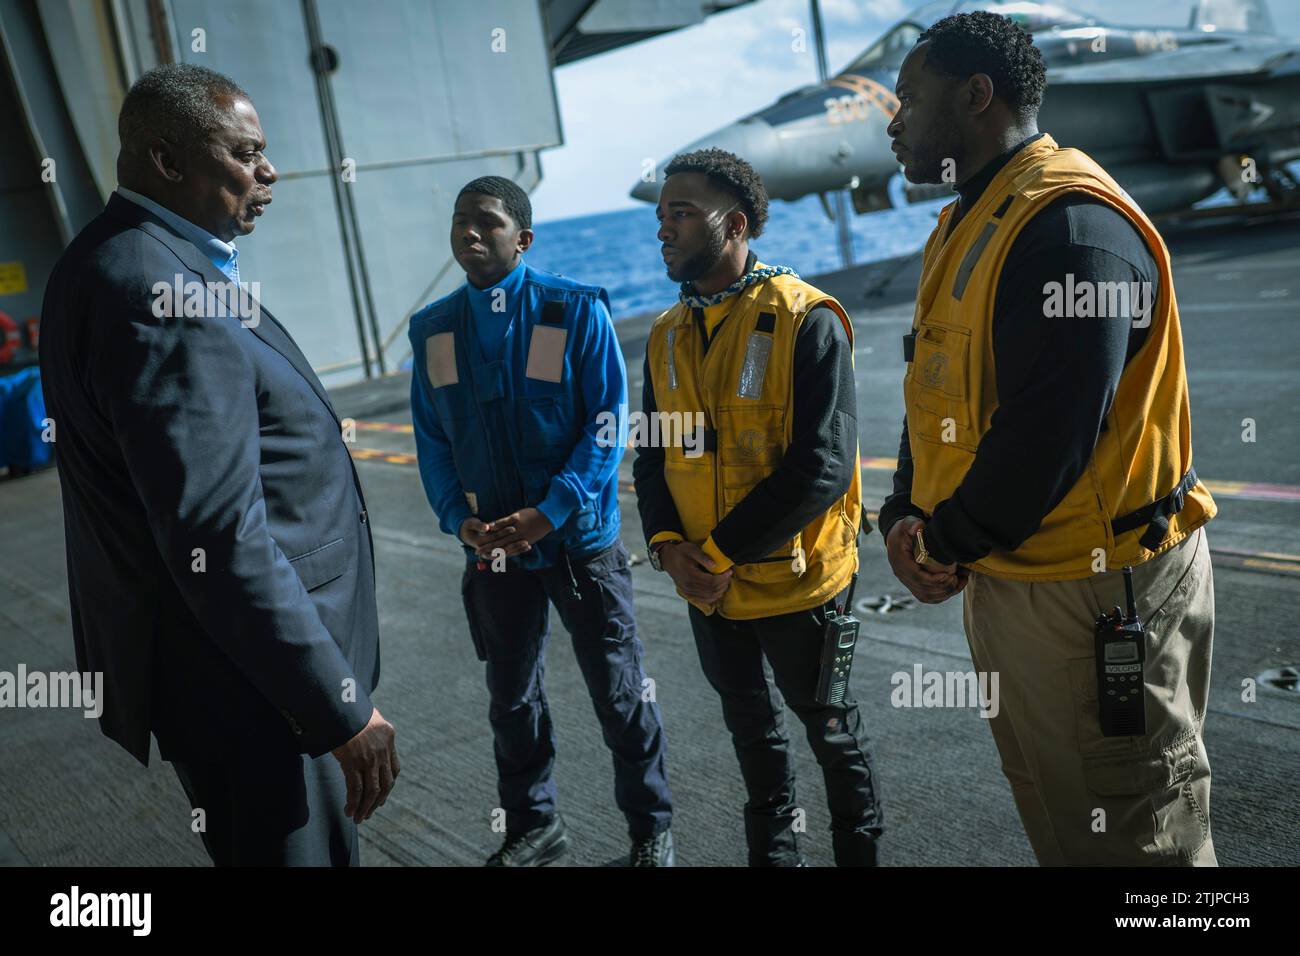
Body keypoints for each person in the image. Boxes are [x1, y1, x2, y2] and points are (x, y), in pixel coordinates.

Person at [38, 64, 398, 866]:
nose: (270, 172)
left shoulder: (103, 260)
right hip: (256, 687)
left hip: (225, 669)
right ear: (168, 161)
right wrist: (335, 704)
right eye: (246, 153)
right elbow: (219, 536)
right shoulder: (160, 293)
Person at [881, 12, 1217, 866]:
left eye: (909, 100)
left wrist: (945, 540)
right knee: (1068, 826)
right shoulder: (966, 223)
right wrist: (903, 513)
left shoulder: (1072, 229)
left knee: (1141, 840)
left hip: (1096, 593)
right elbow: (935, 386)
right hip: (1010, 573)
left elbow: (1052, 432)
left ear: (977, 96)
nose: (894, 121)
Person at [409, 176, 674, 867]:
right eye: (460, 220)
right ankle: (535, 827)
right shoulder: (434, 330)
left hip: (577, 544)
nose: (469, 233)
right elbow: (434, 439)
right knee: (511, 699)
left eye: (487, 222)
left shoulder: (570, 311)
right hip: (493, 549)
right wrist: (455, 520)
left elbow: (607, 423)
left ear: (522, 239)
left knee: (619, 696)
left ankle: (652, 835)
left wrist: (551, 510)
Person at [633, 149, 883, 866]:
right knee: (752, 734)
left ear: (735, 224)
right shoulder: (666, 335)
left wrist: (710, 556)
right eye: (661, 217)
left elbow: (823, 467)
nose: (665, 229)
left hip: (802, 583)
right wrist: (667, 547)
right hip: (709, 591)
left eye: (682, 213)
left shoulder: (806, 319)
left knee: (831, 732)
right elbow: (652, 455)